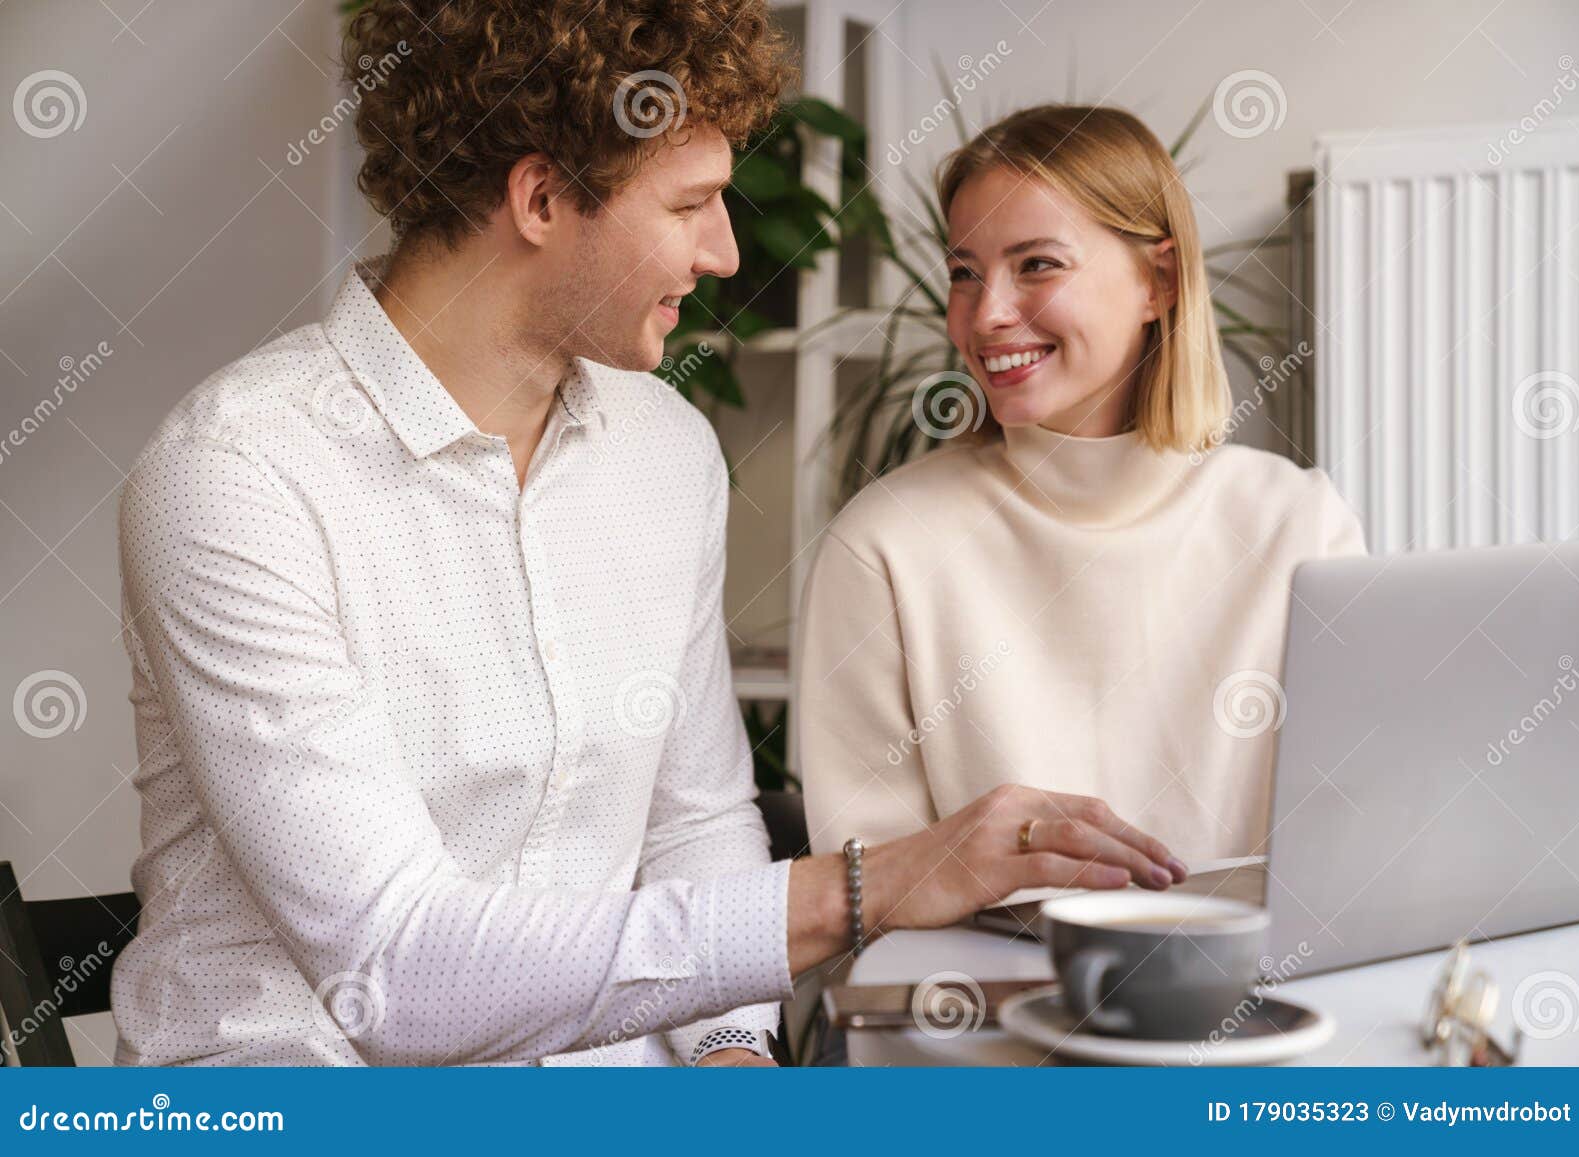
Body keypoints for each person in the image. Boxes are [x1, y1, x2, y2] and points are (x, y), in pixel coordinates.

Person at [110, 7, 1181, 1068]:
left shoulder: (663, 447)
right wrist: (874, 881)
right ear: (538, 199)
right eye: (693, 203)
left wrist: (728, 1054)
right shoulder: (237, 475)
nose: (722, 251)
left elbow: (696, 822)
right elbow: (399, 975)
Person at [798, 104, 1367, 867]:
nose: (986, 314)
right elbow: (870, 886)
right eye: (965, 272)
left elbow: (1359, 842)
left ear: (1158, 281)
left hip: (1253, 977)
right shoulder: (886, 545)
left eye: (1037, 264)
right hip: (986, 985)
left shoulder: (1299, 526)